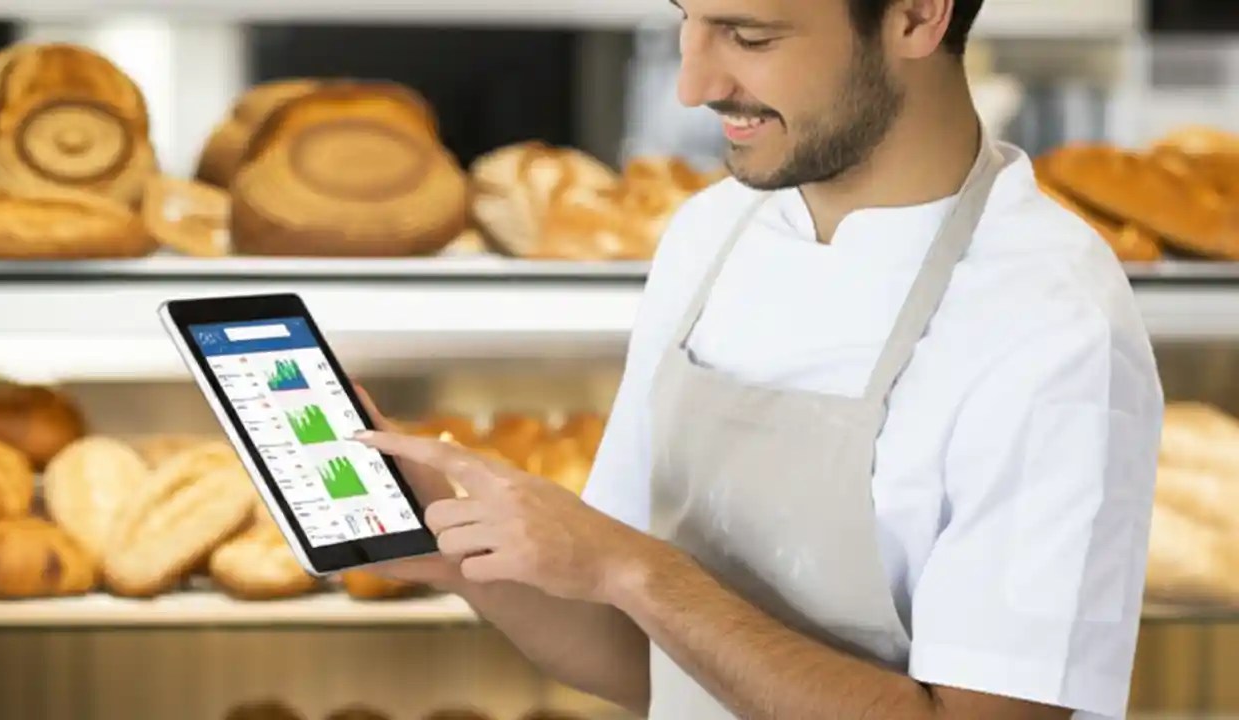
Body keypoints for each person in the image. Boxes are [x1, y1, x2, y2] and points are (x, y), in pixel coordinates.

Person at [355, 0, 1164, 718]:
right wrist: (461, 556)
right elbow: (646, 666)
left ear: (917, 16)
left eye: (748, 35)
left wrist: (638, 570)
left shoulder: (1052, 323)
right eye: (686, 23)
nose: (694, 84)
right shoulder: (710, 235)